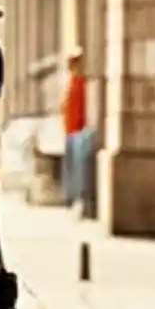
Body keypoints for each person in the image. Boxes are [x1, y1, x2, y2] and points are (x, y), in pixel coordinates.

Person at [60, 47, 88, 208]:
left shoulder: (80, 82)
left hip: (77, 132)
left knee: (77, 168)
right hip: (70, 131)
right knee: (71, 167)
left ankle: (77, 198)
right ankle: (71, 197)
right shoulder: (71, 82)